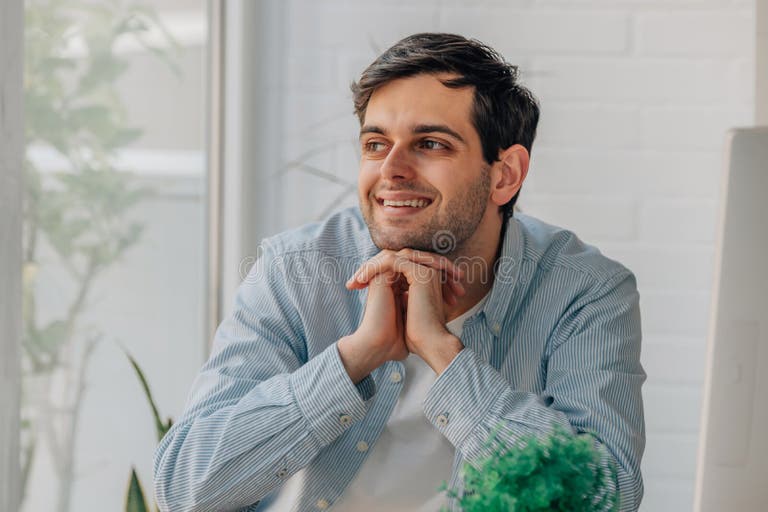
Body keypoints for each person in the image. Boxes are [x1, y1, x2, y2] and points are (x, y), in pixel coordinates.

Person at [153, 32, 645, 512]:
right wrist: (354, 357)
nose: (391, 169)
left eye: (430, 144)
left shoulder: (583, 291)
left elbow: (604, 496)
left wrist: (444, 354)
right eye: (375, 144)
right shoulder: (295, 270)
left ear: (505, 175)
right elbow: (185, 488)